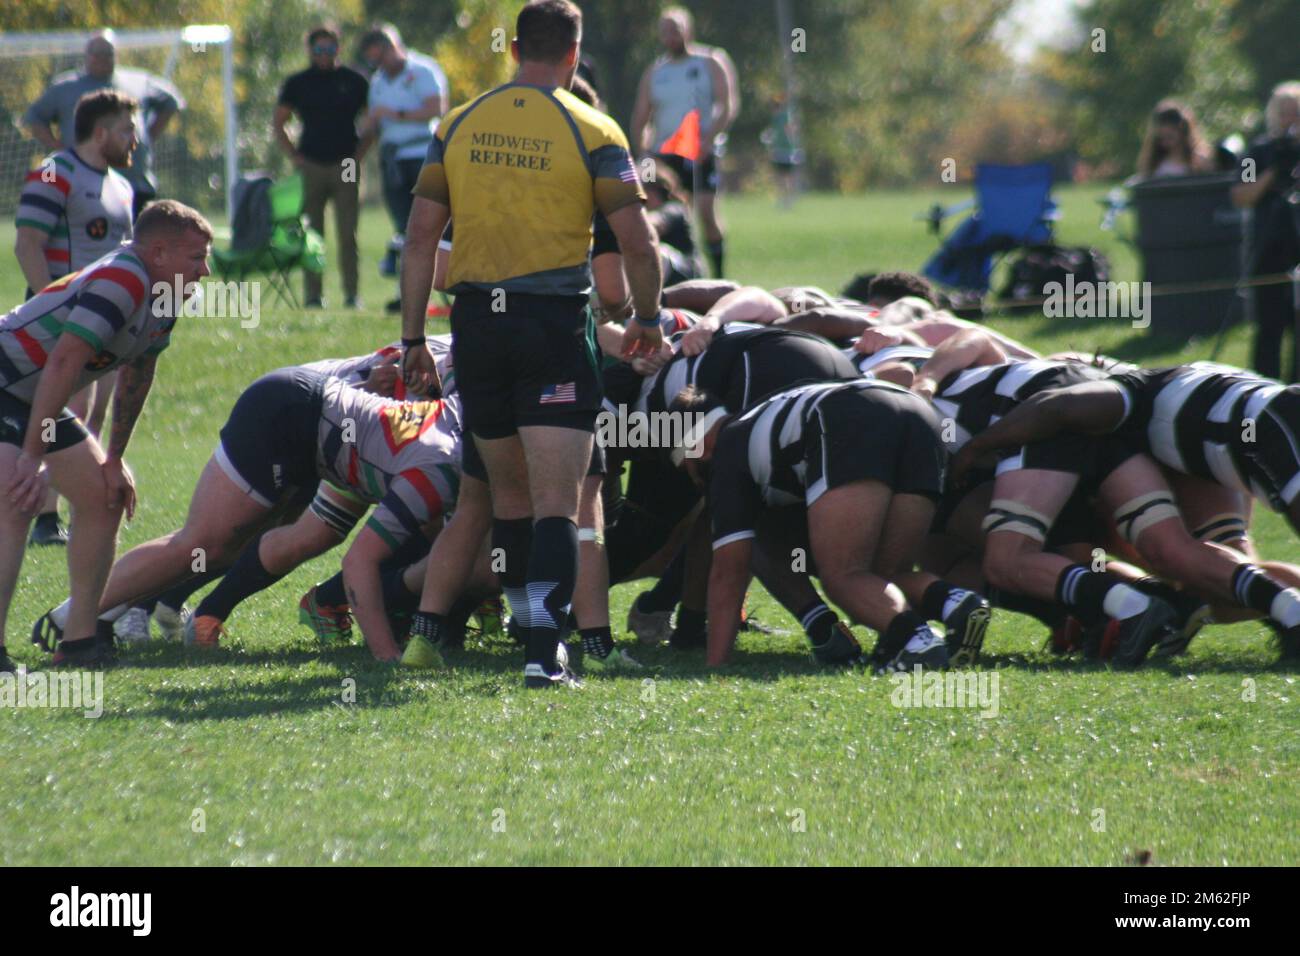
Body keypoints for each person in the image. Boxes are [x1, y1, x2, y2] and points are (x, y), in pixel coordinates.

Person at [399, 0, 665, 689]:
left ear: (514, 48)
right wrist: (648, 318)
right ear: (574, 55)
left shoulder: (456, 124)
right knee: (558, 505)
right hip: (550, 328)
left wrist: (409, 340)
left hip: (475, 329)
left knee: (508, 503)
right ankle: (545, 654)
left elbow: (421, 238)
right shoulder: (596, 128)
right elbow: (637, 240)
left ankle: (530, 637)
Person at [1, 200, 213, 673]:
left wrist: (114, 458)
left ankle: (79, 642)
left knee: (104, 497)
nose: (206, 270)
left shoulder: (167, 293)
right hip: (6, 381)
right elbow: (63, 362)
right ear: (158, 252)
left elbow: (139, 370)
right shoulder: (123, 279)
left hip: (34, 397)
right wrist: (32, 457)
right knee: (17, 501)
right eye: (196, 257)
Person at [15, 89, 139, 546]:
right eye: (127, 130)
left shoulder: (123, 187)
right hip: (65, 322)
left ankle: (63, 508)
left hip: (109, 325)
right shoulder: (54, 170)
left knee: (94, 413)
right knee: (65, 410)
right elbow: (27, 243)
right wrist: (55, 308)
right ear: (100, 131)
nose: (135, 140)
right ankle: (43, 517)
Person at [25, 31, 184, 220]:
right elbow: (35, 117)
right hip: (82, 186)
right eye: (96, 53)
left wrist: (147, 136)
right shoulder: (65, 87)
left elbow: (171, 102)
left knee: (137, 243)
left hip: (134, 184)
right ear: (86, 55)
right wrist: (57, 146)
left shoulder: (137, 81)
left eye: (108, 53)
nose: (102, 58)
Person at [631, 6, 739, 278]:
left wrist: (708, 139)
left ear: (688, 30)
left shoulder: (711, 60)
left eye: (676, 29)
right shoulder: (655, 71)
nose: (671, 36)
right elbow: (641, 116)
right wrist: (643, 154)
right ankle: (673, 274)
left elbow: (727, 104)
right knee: (666, 214)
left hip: (699, 150)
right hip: (664, 154)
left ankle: (718, 276)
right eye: (665, 31)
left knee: (705, 211)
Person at [274, 25, 370, 309]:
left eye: (330, 49)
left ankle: (352, 294)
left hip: (346, 164)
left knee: (348, 232)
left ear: (338, 49)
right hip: (311, 164)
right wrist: (294, 156)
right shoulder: (298, 82)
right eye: (319, 50)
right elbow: (279, 121)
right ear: (310, 51)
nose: (324, 55)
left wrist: (358, 155)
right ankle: (314, 296)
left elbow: (372, 123)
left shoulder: (354, 80)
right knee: (312, 235)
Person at [358, 24, 449, 315]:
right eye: (375, 59)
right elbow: (375, 121)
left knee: (429, 225)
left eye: (382, 55)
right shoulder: (378, 81)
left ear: (394, 46)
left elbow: (437, 108)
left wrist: (396, 114)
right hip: (394, 157)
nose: (380, 63)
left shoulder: (422, 70)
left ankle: (443, 288)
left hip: (422, 154)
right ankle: (406, 292)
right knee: (402, 228)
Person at [1231, 82, 1300, 383]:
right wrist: (1274, 170)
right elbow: (1241, 196)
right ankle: (1263, 388)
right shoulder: (1256, 151)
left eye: (1296, 113)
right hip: (1267, 248)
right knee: (1268, 327)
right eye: (1284, 113)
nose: (1290, 120)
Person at [1134, 100, 1213, 179]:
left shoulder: (1199, 161)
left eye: (1170, 137)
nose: (1165, 143)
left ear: (1182, 131)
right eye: (1161, 138)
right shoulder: (1153, 163)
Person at [761, 94, 802, 207]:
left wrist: (792, 142)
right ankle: (783, 199)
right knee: (780, 177)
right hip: (778, 151)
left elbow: (791, 130)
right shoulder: (775, 119)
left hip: (787, 151)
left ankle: (789, 199)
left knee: (787, 177)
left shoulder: (785, 116)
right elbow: (775, 133)